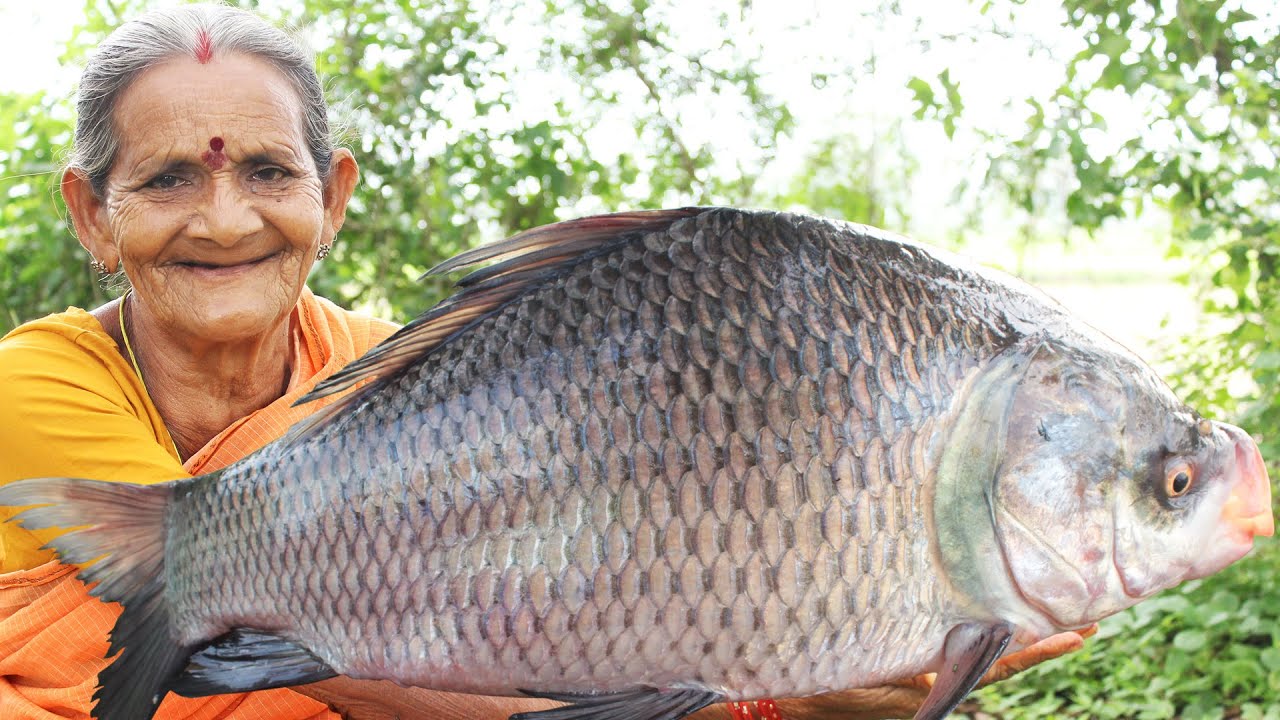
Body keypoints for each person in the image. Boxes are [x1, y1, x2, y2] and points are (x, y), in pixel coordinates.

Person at [0, 5, 1090, 720]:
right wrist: (762, 700)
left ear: (329, 199)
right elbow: (340, 663)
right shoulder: (30, 386)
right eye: (169, 180)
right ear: (92, 215)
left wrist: (799, 637)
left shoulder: (380, 375)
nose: (226, 218)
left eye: (267, 173)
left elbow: (505, 604)